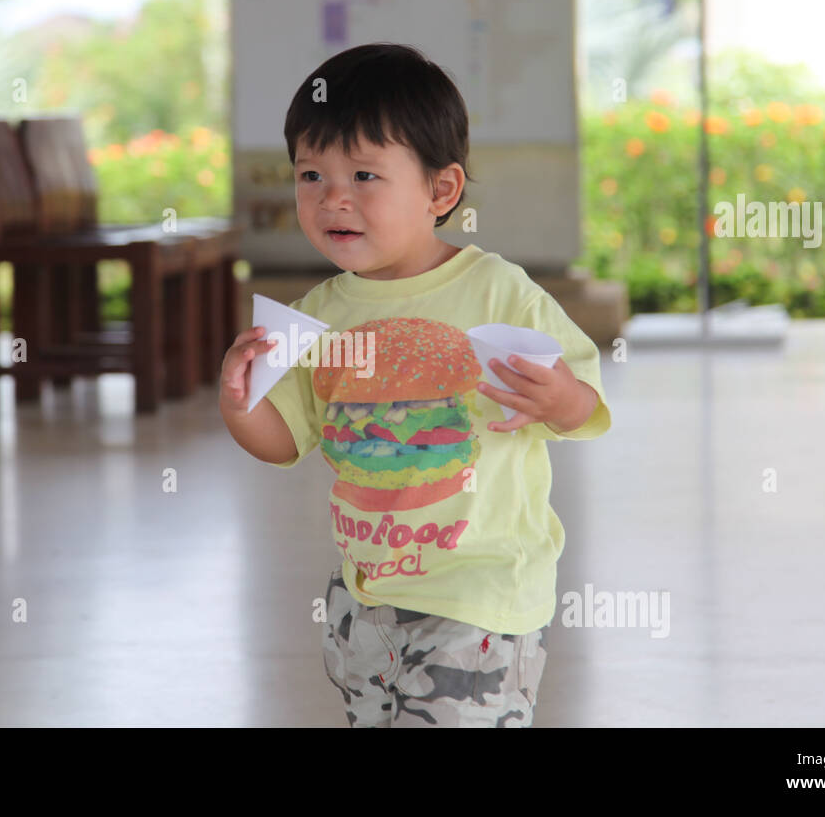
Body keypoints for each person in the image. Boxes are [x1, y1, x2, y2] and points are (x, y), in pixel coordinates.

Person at [219, 43, 612, 727]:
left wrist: (561, 400)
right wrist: (239, 401)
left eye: (364, 174)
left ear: (441, 190)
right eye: (310, 175)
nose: (332, 198)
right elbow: (283, 441)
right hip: (362, 599)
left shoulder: (497, 290)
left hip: (480, 594)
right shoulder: (319, 312)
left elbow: (582, 398)